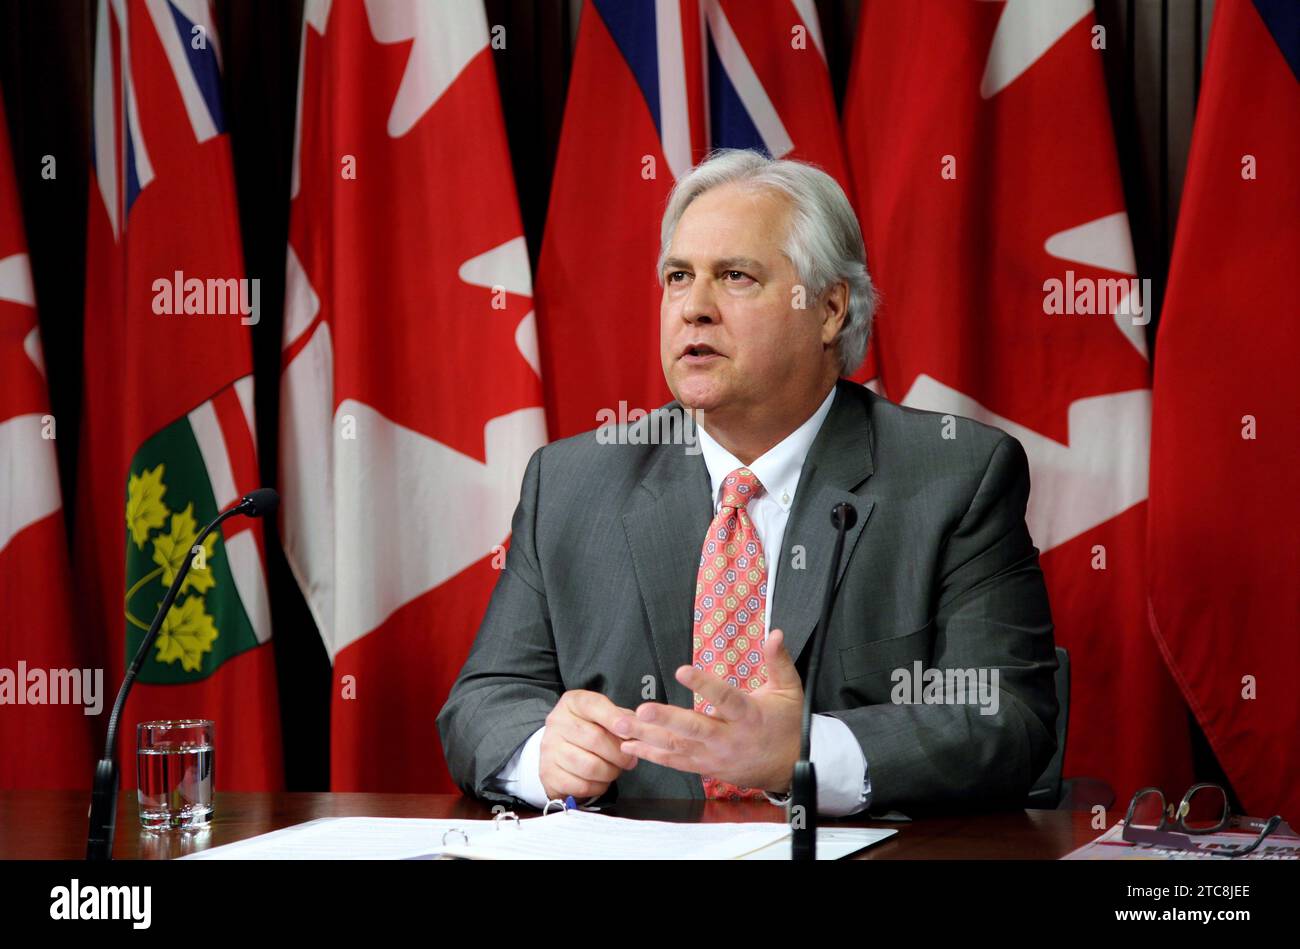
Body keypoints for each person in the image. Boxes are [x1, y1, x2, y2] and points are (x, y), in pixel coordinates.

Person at [438, 148, 1057, 816]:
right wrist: (542, 754)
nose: (693, 309)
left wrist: (803, 751)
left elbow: (1008, 717)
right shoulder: (572, 482)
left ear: (828, 309)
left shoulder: (953, 477)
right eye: (678, 277)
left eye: (735, 277)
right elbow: (483, 699)